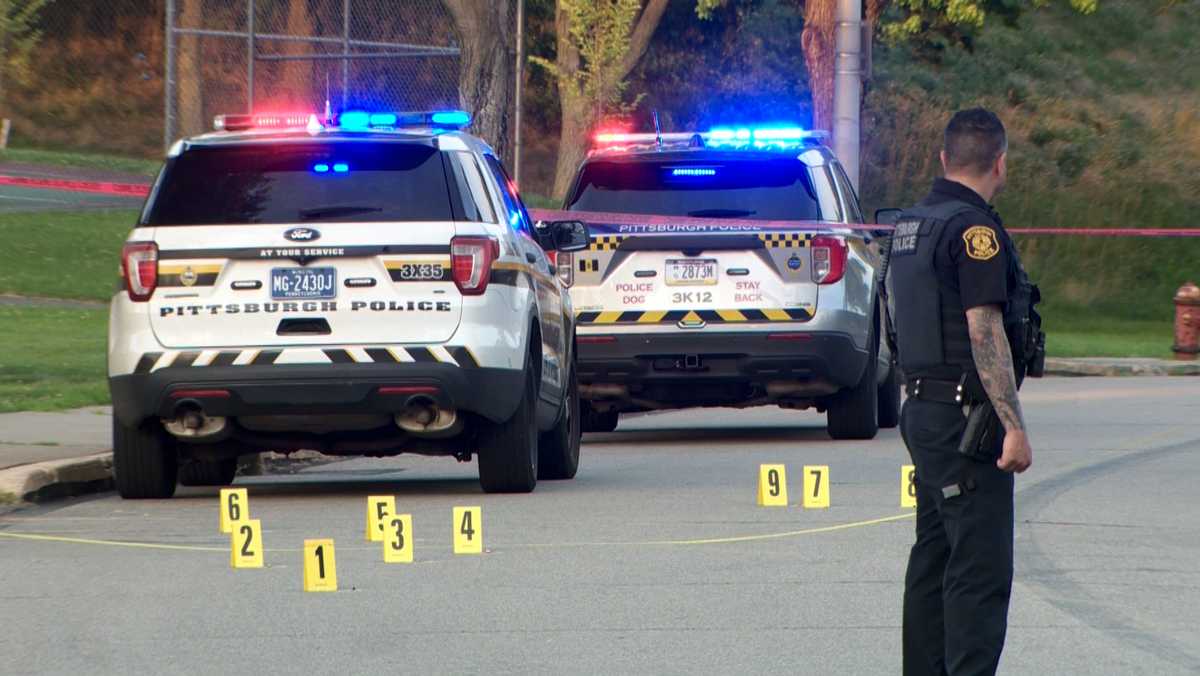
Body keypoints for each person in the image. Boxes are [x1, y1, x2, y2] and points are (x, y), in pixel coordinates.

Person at [886, 108, 1039, 676]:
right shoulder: (974, 232)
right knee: (979, 569)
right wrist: (1015, 426)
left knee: (934, 558)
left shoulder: (911, 225)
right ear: (1000, 163)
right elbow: (984, 328)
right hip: (967, 423)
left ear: (944, 158)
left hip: (922, 410)